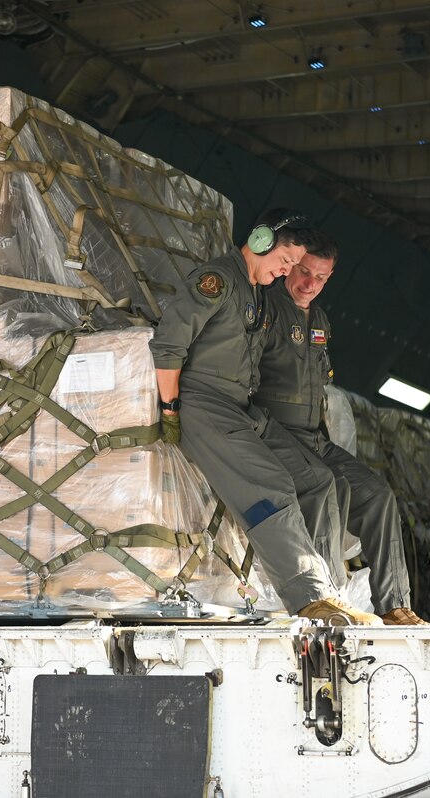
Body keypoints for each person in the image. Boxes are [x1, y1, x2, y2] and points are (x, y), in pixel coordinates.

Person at [151, 208, 382, 625]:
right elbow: (168, 344)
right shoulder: (218, 280)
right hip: (205, 403)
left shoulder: (256, 293)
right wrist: (170, 410)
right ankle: (308, 598)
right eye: (288, 261)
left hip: (241, 406)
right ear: (260, 241)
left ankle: (330, 590)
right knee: (272, 484)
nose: (288, 271)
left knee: (316, 479)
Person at [252, 230, 428, 625]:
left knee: (378, 495)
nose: (309, 283)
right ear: (289, 266)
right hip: (275, 430)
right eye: (304, 272)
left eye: (321, 277)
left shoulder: (321, 320)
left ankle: (395, 604)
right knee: (326, 485)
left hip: (313, 435)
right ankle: (327, 598)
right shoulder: (264, 309)